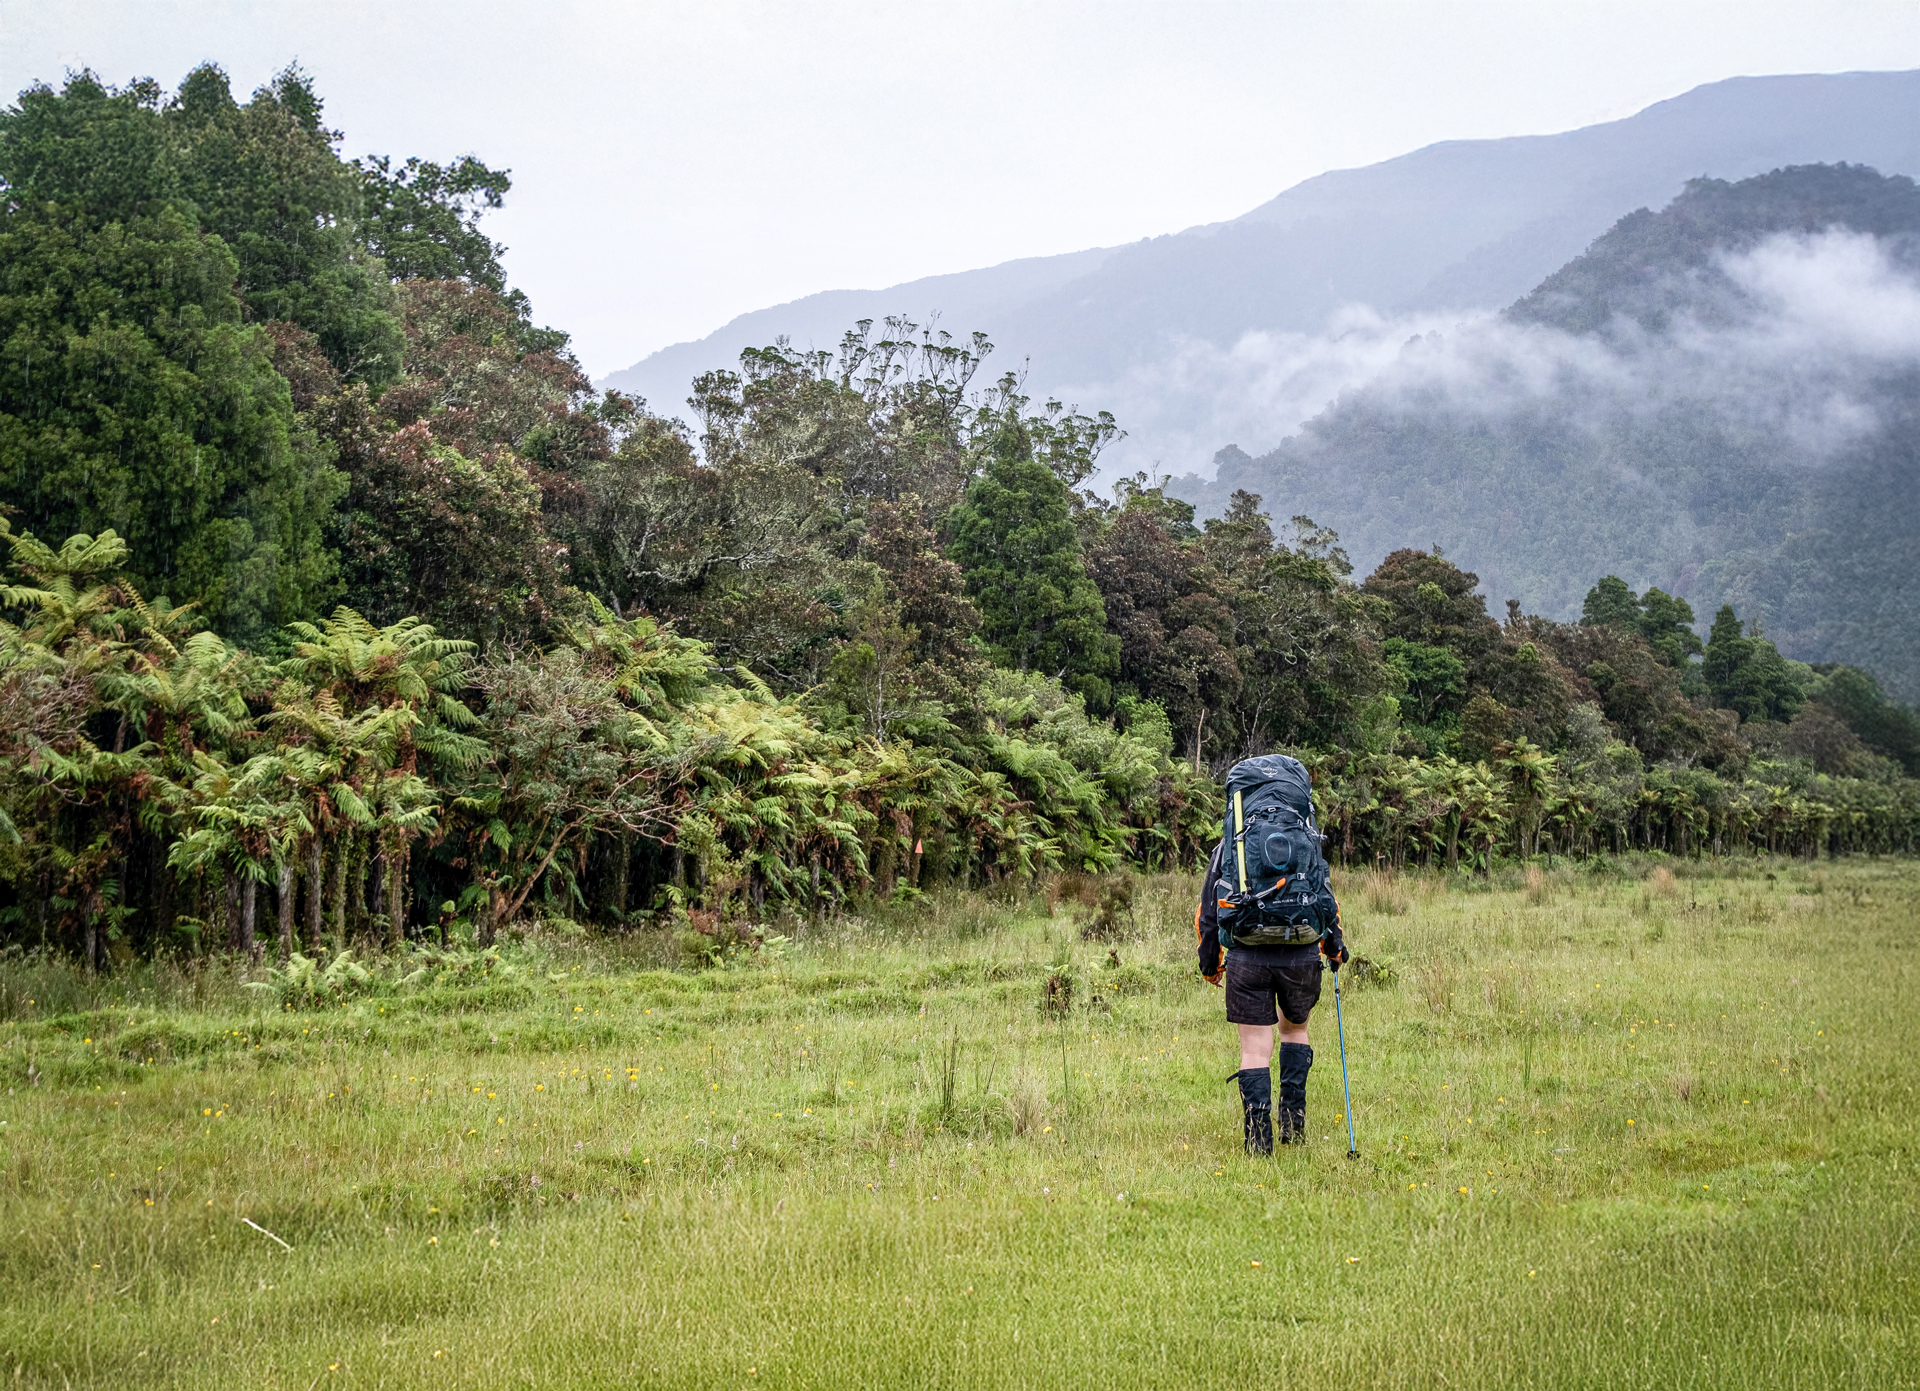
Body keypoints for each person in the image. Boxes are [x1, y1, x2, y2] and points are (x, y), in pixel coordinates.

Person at [1195, 798, 1347, 1155]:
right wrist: (1335, 948)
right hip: (1302, 954)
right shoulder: (1305, 838)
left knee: (1254, 1051)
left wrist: (1210, 964)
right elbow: (1325, 900)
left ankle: (1258, 1142)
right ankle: (1293, 1126)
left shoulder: (1233, 845)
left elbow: (1208, 908)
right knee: (1295, 1031)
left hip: (1247, 958)